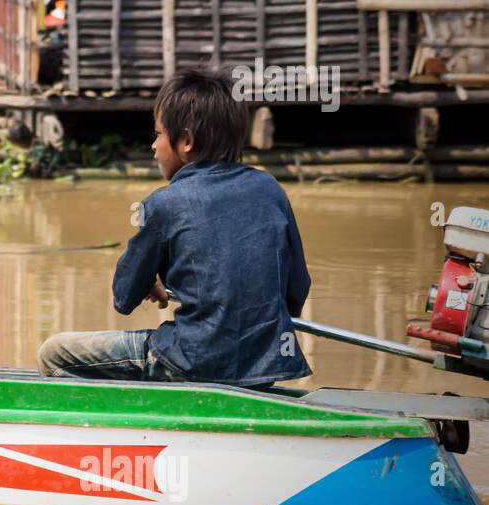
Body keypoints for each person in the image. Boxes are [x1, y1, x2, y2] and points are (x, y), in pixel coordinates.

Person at [38, 68, 311, 387]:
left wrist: (147, 278)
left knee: (54, 353)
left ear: (185, 141)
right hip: (266, 366)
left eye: (157, 134)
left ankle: (131, 430)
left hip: (191, 361)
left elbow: (123, 298)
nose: (153, 146)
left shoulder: (164, 203)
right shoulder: (270, 190)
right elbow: (298, 288)